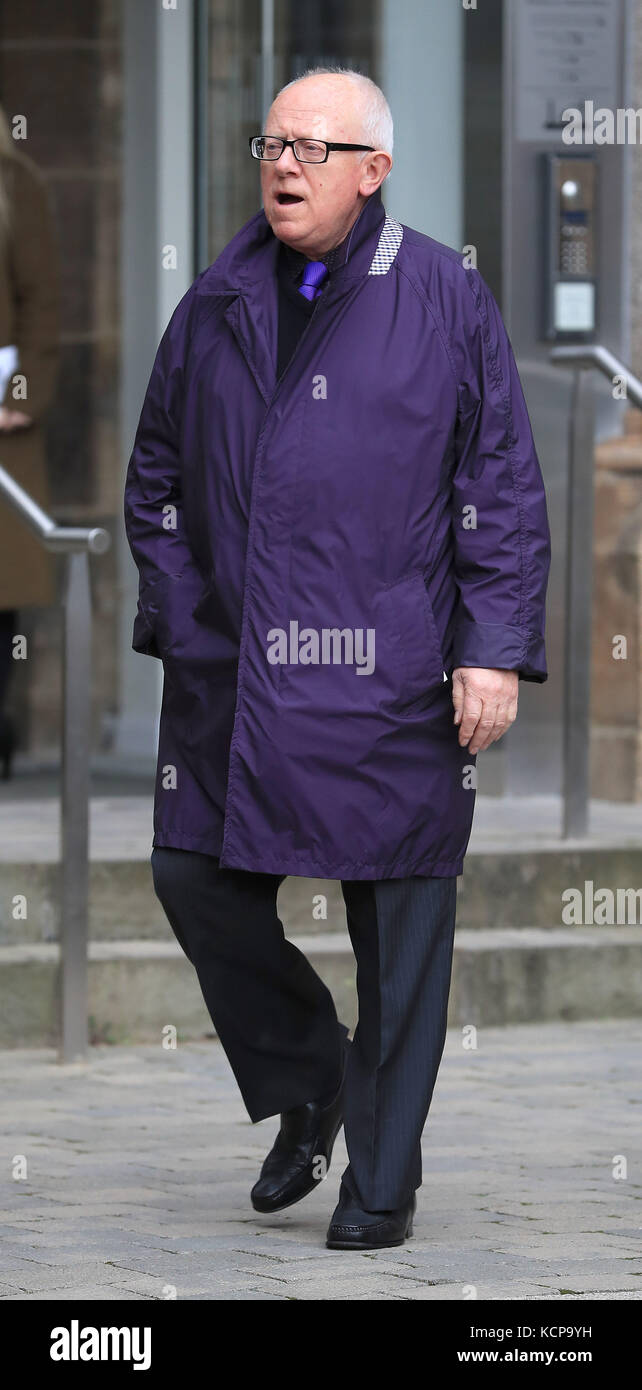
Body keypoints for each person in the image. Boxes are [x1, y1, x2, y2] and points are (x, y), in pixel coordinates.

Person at [124, 68, 551, 1250]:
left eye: (315, 146)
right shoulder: (214, 299)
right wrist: (193, 622)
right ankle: (312, 1077)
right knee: (189, 877)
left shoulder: (444, 298)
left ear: (375, 169)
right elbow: (155, 483)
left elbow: (501, 488)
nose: (285, 164)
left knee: (400, 926)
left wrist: (493, 651)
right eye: (274, 141)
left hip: (391, 678)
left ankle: (383, 1179)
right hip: (240, 679)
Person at [0, 103, 60, 778]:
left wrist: (20, 398)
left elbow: (45, 304)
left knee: (3, 589)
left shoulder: (16, 185)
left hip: (1, 423)